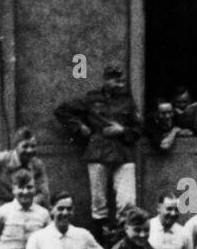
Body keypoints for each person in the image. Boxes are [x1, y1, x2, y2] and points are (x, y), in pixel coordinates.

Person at [54, 64, 141, 237]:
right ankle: (101, 241)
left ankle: (122, 240)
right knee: (98, 203)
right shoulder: (91, 99)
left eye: (122, 80)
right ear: (106, 80)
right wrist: (79, 127)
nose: (120, 84)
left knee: (128, 201)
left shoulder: (127, 101)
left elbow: (139, 128)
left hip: (123, 153)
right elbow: (61, 111)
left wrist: (122, 131)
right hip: (98, 153)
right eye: (115, 80)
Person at [0, 127, 50, 222]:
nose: (29, 150)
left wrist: (27, 205)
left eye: (33, 146)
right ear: (16, 146)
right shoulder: (4, 158)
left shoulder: (37, 165)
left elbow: (43, 192)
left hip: (26, 207)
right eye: (25, 146)